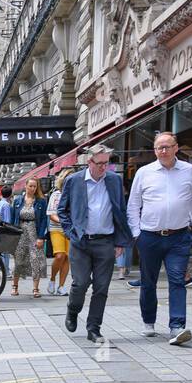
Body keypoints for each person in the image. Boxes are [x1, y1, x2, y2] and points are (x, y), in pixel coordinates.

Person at [127, 131, 192, 344]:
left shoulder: (188, 170)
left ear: (176, 148)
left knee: (178, 280)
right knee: (148, 282)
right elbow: (133, 205)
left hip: (178, 237)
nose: (163, 151)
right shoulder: (144, 172)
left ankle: (177, 326)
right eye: (159, 147)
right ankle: (148, 321)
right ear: (155, 151)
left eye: (167, 146)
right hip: (149, 236)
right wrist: (136, 234)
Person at [57, 144, 133, 343]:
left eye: (106, 163)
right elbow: (62, 211)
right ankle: (73, 310)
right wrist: (70, 232)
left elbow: (120, 211)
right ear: (89, 162)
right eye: (99, 163)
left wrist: (120, 241)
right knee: (80, 283)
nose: (103, 167)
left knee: (101, 288)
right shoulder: (74, 181)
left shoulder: (114, 181)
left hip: (105, 242)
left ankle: (94, 328)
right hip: (81, 242)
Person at [12, 178, 48, 298]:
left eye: (35, 186)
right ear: (26, 186)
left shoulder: (41, 202)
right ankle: (15, 286)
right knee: (18, 260)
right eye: (31, 186)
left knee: (35, 260)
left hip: (34, 232)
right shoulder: (17, 201)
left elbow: (43, 220)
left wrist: (41, 237)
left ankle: (36, 289)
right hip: (20, 233)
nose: (33, 189)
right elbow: (13, 220)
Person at [46, 168, 72, 295]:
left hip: (71, 230)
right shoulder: (56, 195)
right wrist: (64, 222)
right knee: (60, 255)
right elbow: (51, 214)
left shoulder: (76, 194)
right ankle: (52, 279)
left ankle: (61, 287)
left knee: (67, 257)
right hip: (56, 228)